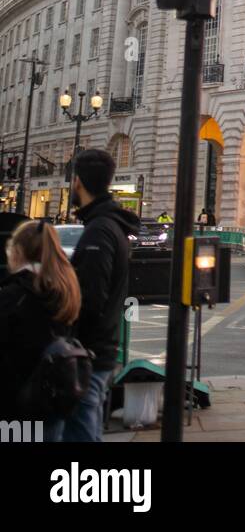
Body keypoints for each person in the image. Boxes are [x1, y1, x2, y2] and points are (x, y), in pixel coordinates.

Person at [62, 148, 140, 442]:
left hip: (89, 352)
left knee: (80, 432)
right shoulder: (110, 226)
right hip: (100, 349)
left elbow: (91, 297)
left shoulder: (99, 230)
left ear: (78, 182)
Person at [0, 219, 82, 441]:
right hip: (51, 400)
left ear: (17, 252)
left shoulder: (14, 294)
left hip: (16, 405)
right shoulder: (62, 289)